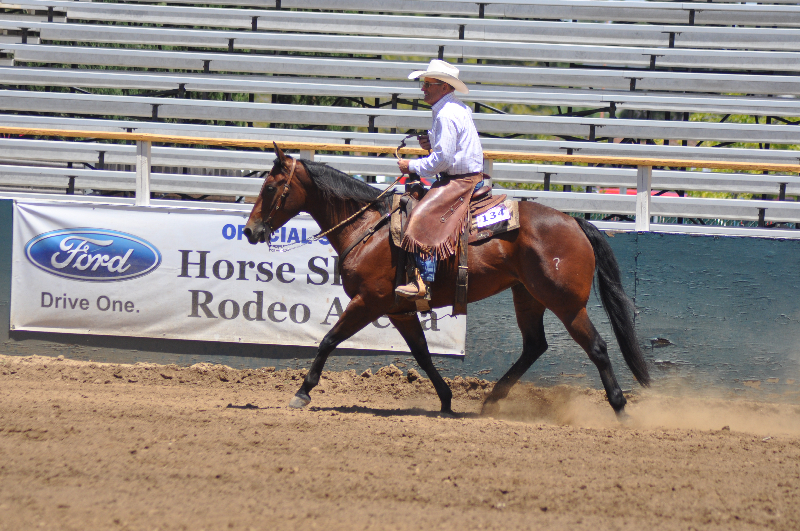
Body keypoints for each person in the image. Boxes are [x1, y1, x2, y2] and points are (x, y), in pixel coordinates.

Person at [396, 59, 484, 301]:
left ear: (444, 87)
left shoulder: (445, 114)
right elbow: (451, 151)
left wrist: (410, 165)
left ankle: (424, 280)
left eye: (428, 84)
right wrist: (431, 145)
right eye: (423, 83)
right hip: (465, 177)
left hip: (459, 181)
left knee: (423, 215)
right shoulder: (457, 108)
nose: (423, 89)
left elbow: (443, 161)